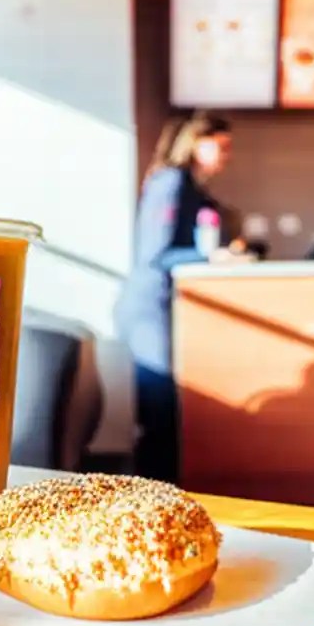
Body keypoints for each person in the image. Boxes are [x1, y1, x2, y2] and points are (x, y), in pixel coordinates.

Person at [116, 111, 234, 483]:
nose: (227, 155)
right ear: (197, 140)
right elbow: (155, 255)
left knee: (167, 414)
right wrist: (211, 256)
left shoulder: (191, 187)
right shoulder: (170, 182)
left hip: (164, 307)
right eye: (223, 145)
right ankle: (154, 498)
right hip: (149, 307)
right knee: (159, 414)